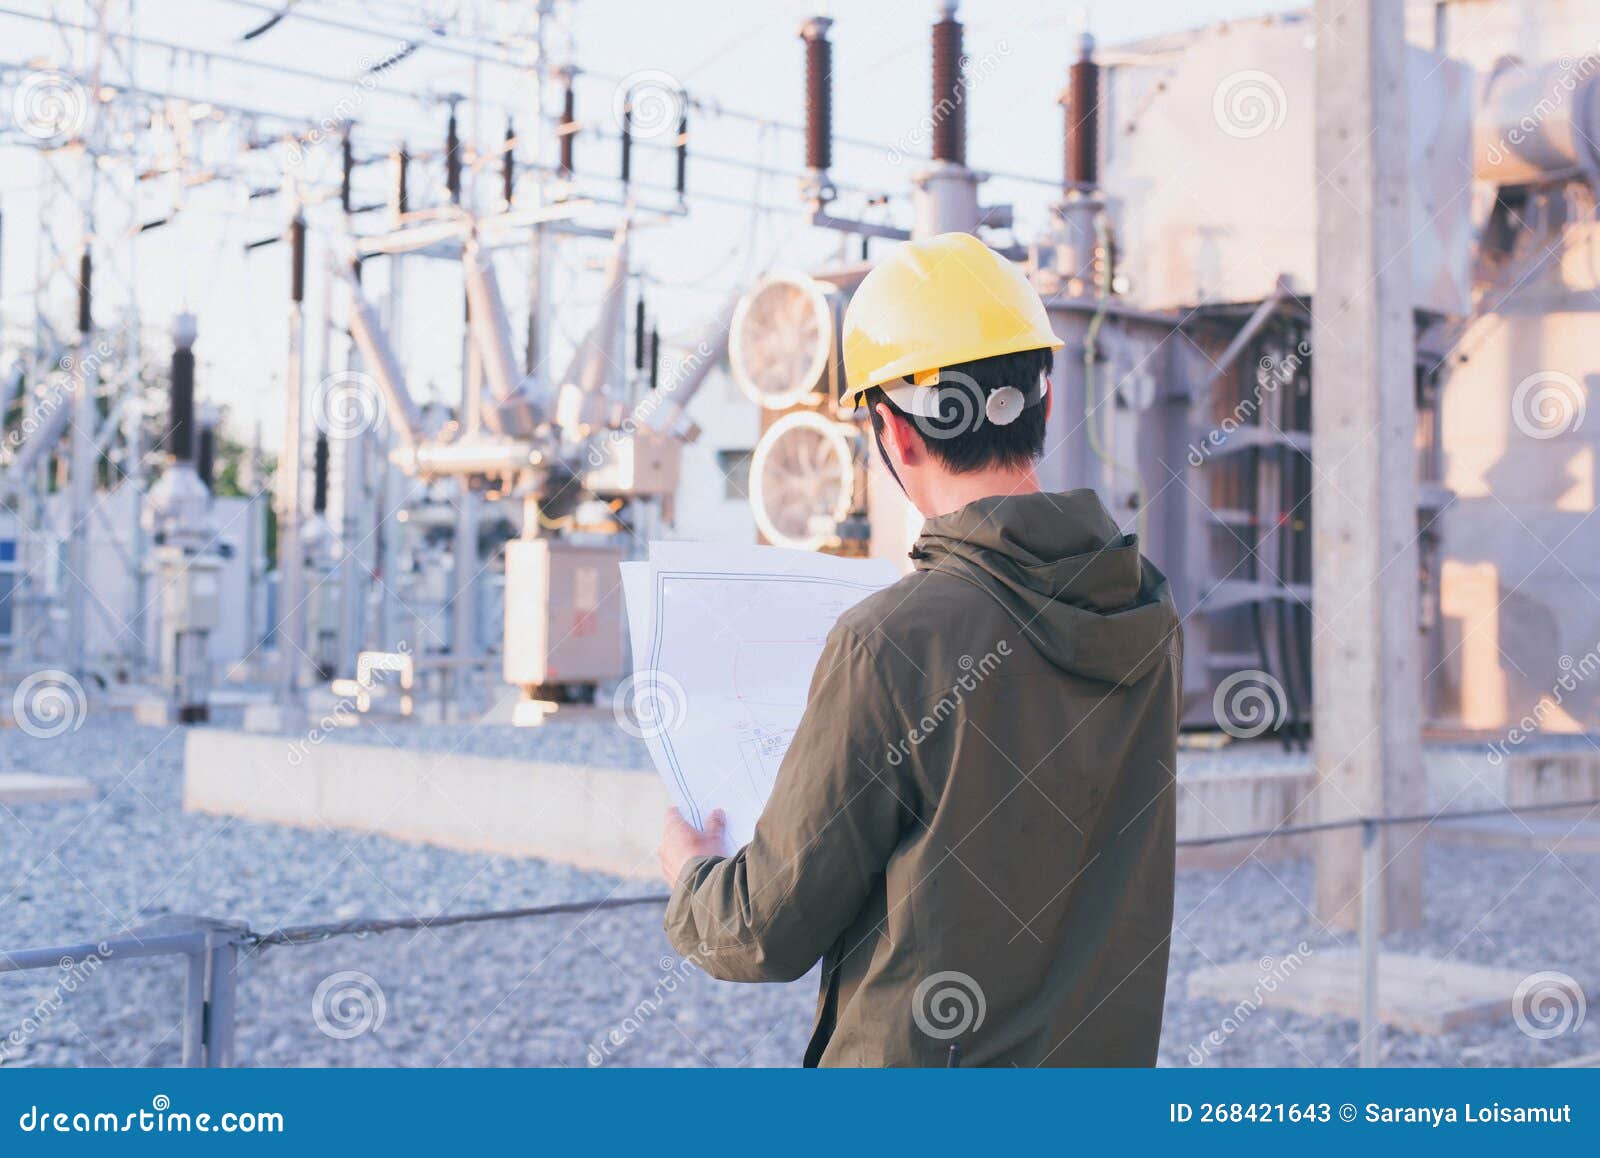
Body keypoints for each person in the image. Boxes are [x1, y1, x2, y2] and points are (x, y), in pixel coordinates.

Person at [657, 231, 1181, 1067]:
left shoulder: (891, 640)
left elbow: (765, 931)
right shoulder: (1144, 605)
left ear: (894, 436)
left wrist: (692, 878)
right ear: (1041, 404)